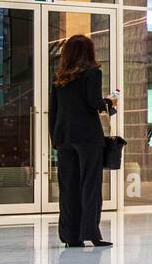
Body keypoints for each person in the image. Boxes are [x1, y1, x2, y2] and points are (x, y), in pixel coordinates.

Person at [49, 34, 116, 248]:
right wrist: (110, 103)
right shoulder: (93, 73)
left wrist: (55, 139)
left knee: (68, 187)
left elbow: (54, 111)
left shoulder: (59, 77)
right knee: (90, 185)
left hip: (64, 138)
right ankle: (91, 233)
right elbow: (93, 103)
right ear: (89, 52)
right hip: (88, 138)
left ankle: (71, 236)